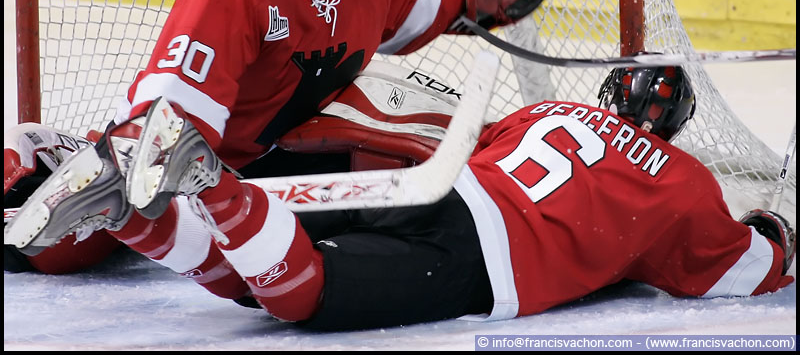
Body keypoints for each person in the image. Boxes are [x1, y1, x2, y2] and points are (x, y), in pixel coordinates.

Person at [3, 0, 564, 290]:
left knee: (391, 126)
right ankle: (58, 173)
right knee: (53, 244)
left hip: (283, 154)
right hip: (211, 175)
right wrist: (135, 168)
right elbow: (165, 127)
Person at [6, 61, 795, 330]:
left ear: (610, 93)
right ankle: (207, 180)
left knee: (250, 276)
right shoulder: (683, 183)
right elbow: (750, 271)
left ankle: (128, 215)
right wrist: (777, 226)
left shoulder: (549, 111)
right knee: (298, 297)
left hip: (436, 186)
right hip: (480, 262)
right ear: (676, 127)